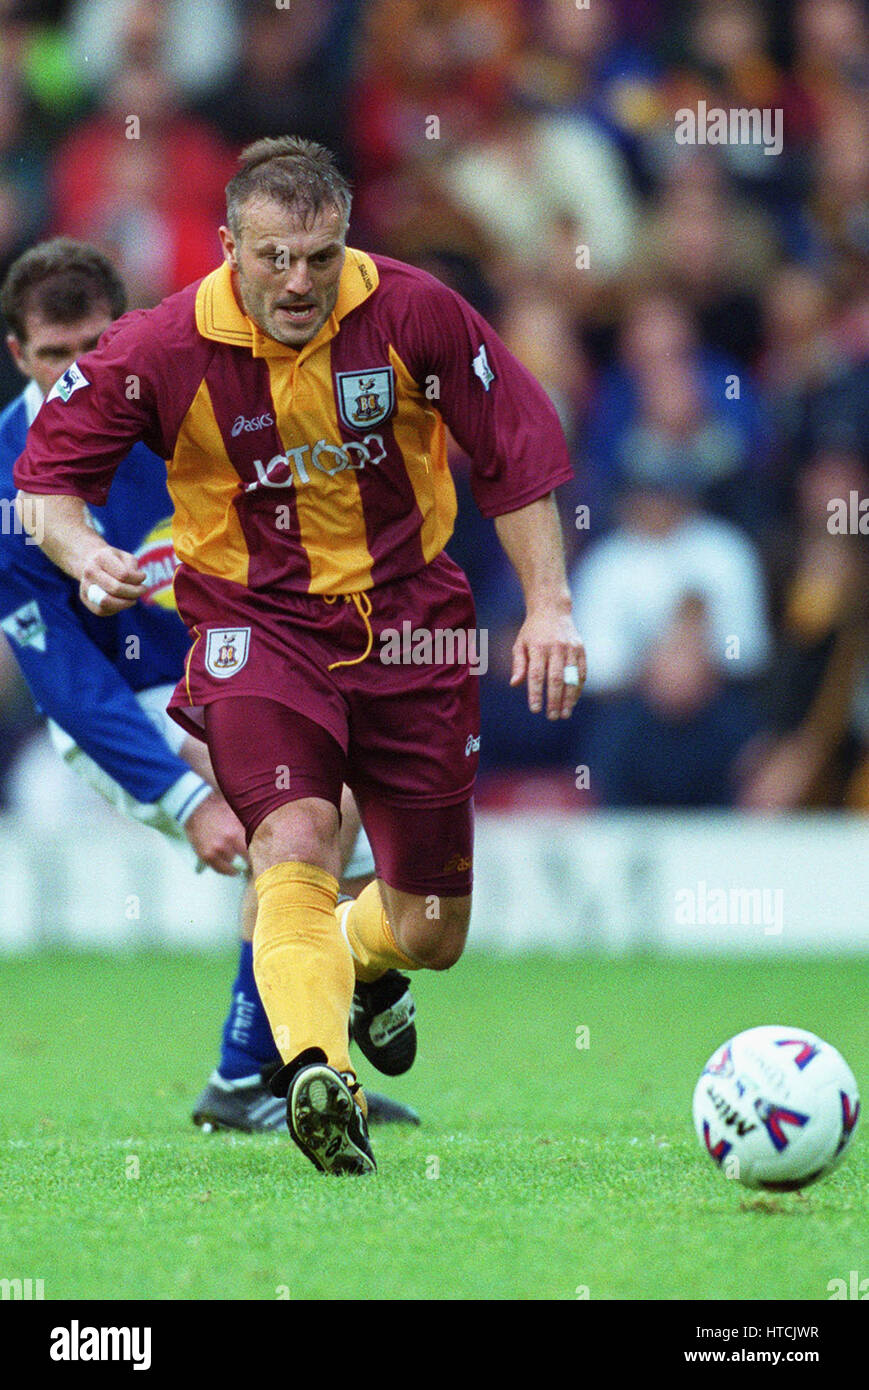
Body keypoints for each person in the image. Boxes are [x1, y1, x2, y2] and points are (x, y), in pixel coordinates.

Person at [15, 137, 585, 1175]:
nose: (296, 282)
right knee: (294, 837)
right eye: (273, 256)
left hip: (412, 627)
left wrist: (547, 602)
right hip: (255, 630)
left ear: (344, 243)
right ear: (228, 244)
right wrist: (84, 549)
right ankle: (313, 1073)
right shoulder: (162, 345)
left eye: (319, 257)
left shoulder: (414, 311)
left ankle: (366, 961)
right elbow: (44, 483)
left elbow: (515, 451)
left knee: (429, 928)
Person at [1, 236, 418, 1132]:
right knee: (289, 822)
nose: (79, 374)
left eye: (94, 350)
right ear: (17, 356)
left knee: (330, 820)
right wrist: (187, 797)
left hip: (227, 661)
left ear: (125, 335)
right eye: (53, 356)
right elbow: (66, 676)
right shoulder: (9, 485)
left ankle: (327, 1014)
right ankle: (280, 1052)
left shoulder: (185, 410)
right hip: (119, 703)